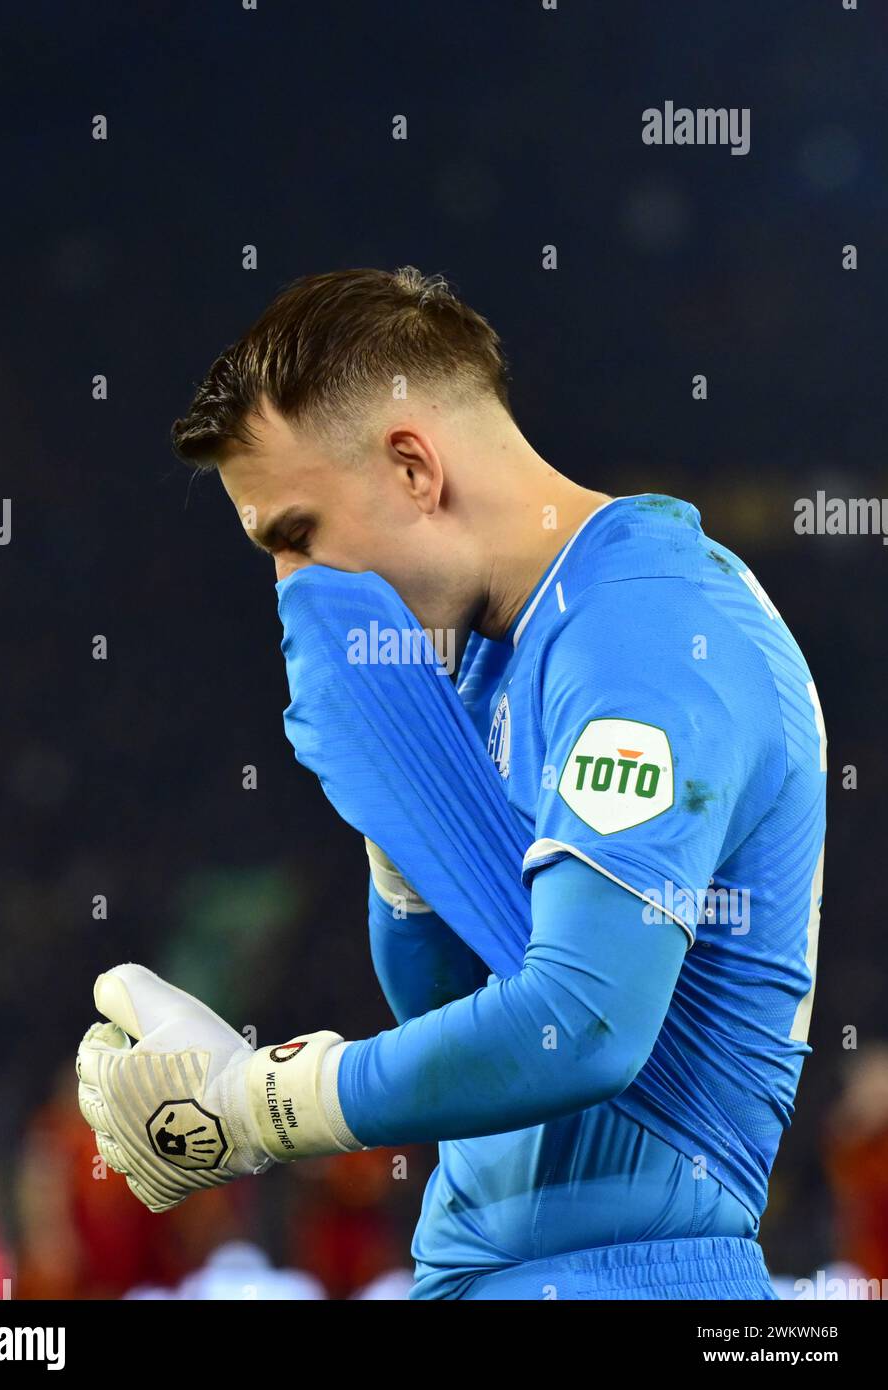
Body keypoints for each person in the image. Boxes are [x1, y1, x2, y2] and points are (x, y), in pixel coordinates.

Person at [76, 267, 826, 1299]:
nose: (292, 586)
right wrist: (397, 798)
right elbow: (453, 1013)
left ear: (412, 467)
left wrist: (257, 1102)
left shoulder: (647, 635)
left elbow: (580, 1025)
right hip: (488, 1269)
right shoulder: (484, 658)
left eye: (296, 534)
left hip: (631, 1279)